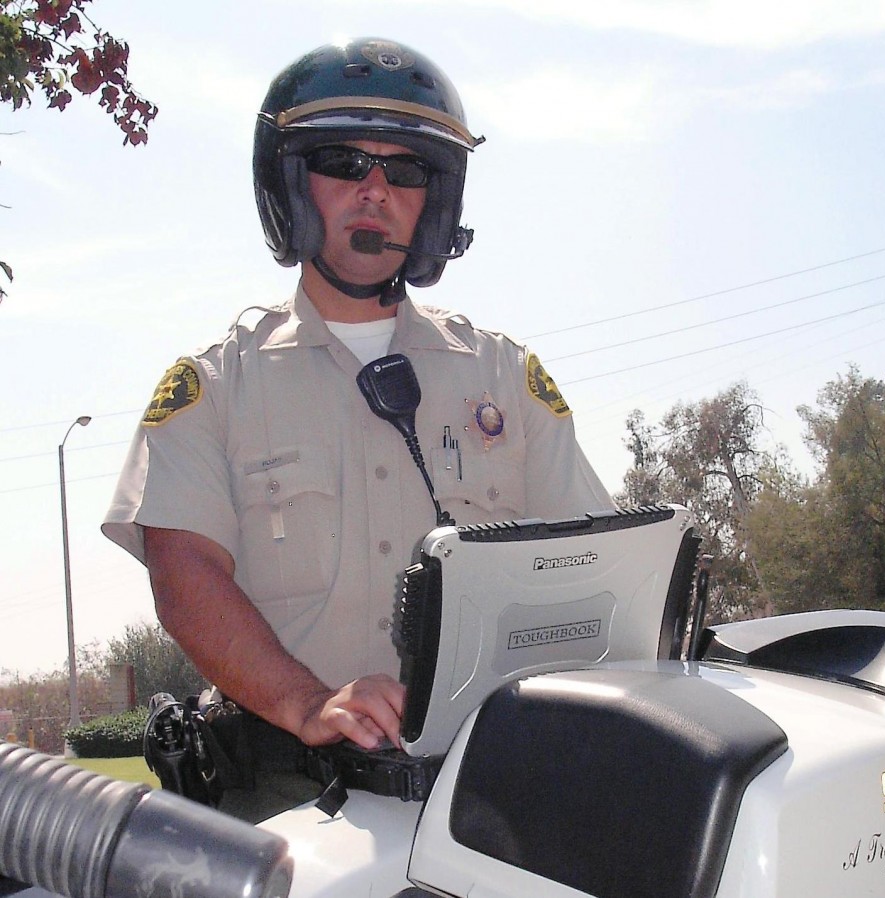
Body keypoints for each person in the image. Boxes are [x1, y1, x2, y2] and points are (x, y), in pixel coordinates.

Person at [102, 38, 613, 819]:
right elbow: (184, 575)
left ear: (434, 201)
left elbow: (597, 565)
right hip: (291, 799)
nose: (374, 189)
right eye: (343, 162)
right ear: (292, 186)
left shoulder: (505, 380)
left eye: (405, 171)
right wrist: (309, 704)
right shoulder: (213, 387)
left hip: (490, 794)